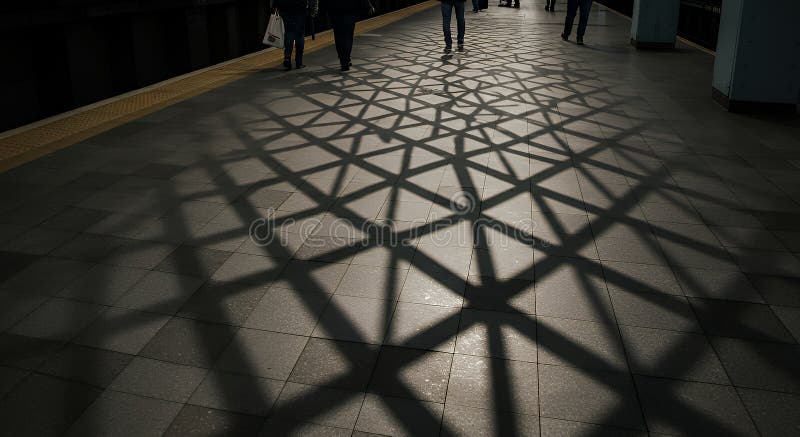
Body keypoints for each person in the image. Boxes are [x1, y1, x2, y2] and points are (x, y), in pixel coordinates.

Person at [323, 0, 374, 71]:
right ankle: (346, 59)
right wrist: (367, 6)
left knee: (338, 35)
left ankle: (342, 59)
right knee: (348, 35)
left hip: (334, 11)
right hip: (350, 11)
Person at [272, 0, 318, 70]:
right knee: (299, 35)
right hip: (300, 9)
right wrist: (313, 10)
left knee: (288, 33)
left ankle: (287, 57)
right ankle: (299, 62)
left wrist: (275, 5)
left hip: (285, 9)